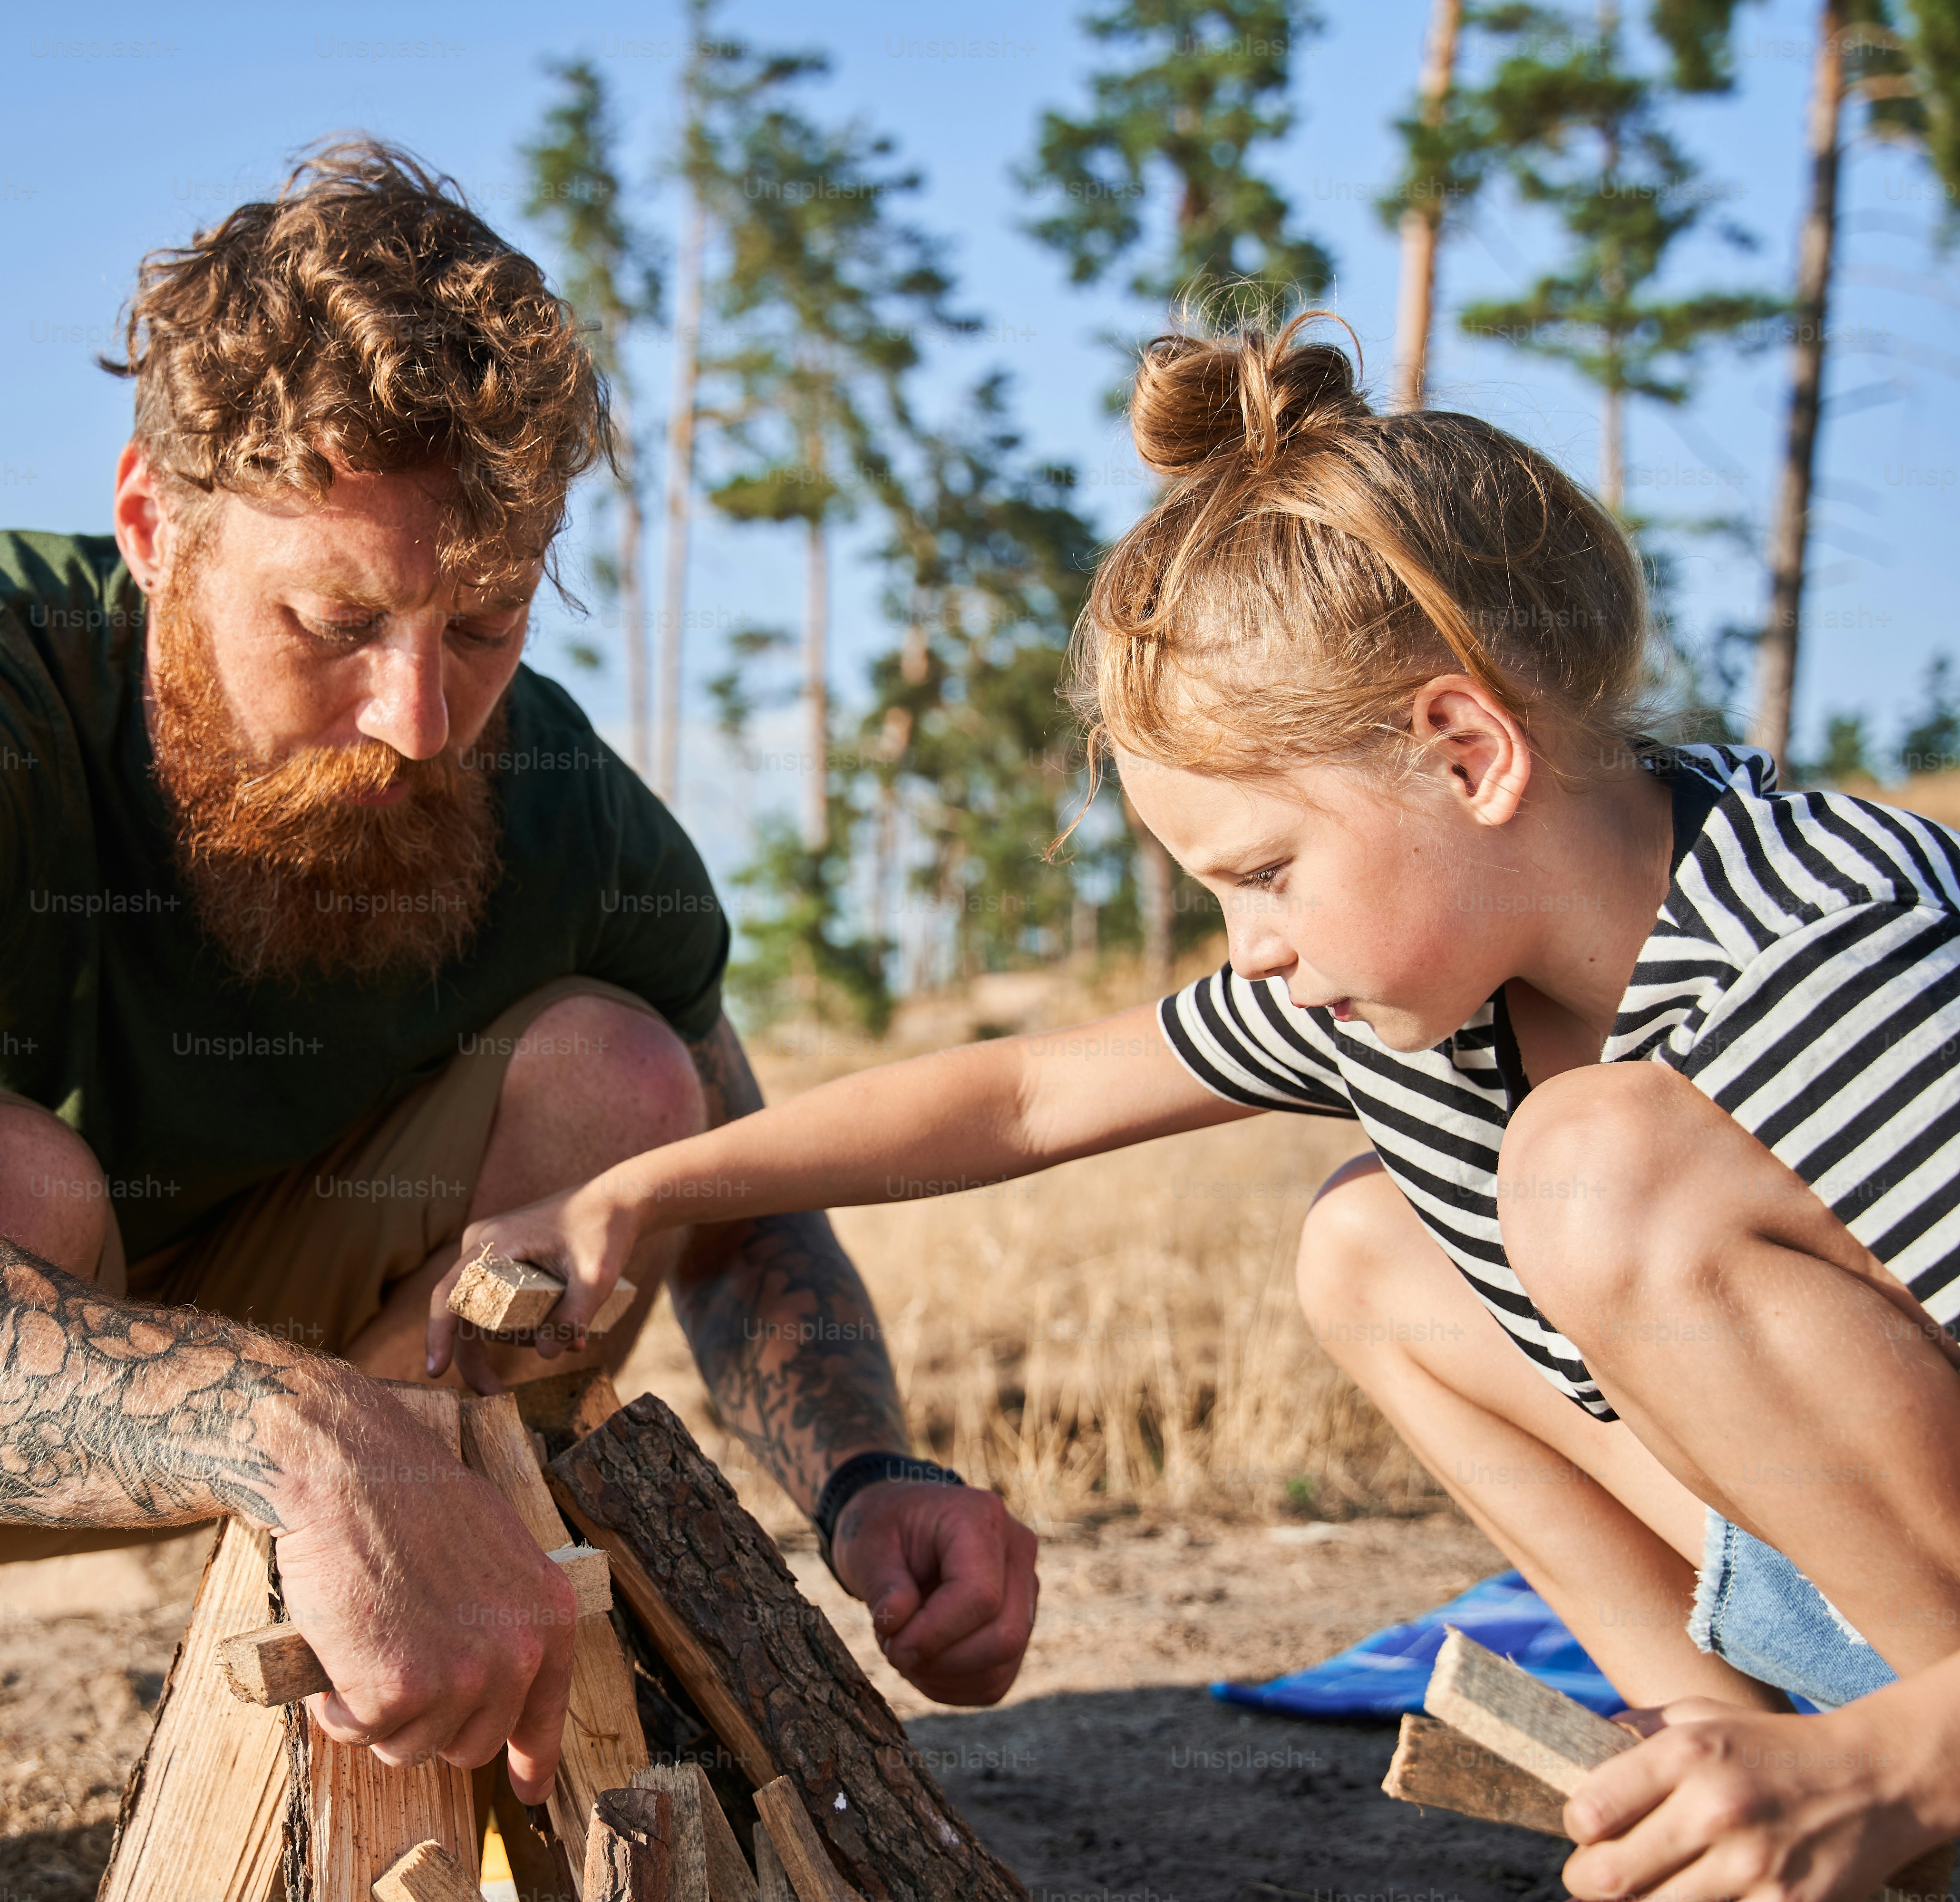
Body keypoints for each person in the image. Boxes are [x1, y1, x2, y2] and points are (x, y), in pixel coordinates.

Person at [0, 138, 1033, 1902]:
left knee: (625, 1081)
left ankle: (399, 1709)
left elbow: (735, 1204)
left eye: (489, 620)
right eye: (337, 621)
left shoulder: (558, 799)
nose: (422, 716)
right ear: (154, 528)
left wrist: (868, 1484)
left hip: (301, 1334)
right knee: (9, 1188)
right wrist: (286, 1429)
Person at [463, 311, 1960, 1902]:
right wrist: (651, 1186)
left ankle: (1890, 1799)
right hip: (1830, 1622)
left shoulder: (1828, 957)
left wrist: (1899, 1756)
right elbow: (1027, 1095)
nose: (1257, 951)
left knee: (1595, 1165)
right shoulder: (1423, 973)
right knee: (1368, 1245)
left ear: (1465, 753)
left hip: (1925, 1696)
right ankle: (1715, 1776)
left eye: (1263, 875)